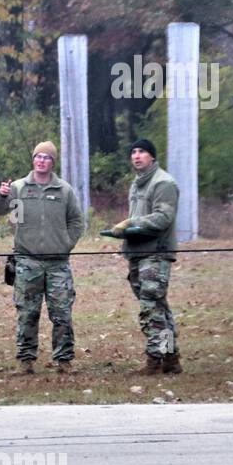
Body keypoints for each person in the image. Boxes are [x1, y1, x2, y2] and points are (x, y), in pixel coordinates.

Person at [0, 140, 85, 374]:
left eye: (47, 157)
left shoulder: (64, 190)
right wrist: (1, 195)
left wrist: (66, 244)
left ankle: (63, 361)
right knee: (27, 312)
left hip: (58, 264)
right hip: (27, 261)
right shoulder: (19, 188)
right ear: (33, 160)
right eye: (38, 157)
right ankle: (25, 361)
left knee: (61, 313)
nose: (42, 161)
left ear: (53, 162)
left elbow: (76, 221)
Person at [101, 138, 182, 374]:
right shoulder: (137, 184)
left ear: (153, 157)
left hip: (155, 253)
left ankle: (154, 360)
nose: (137, 156)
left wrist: (131, 222)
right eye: (133, 152)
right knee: (160, 308)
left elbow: (163, 218)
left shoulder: (163, 183)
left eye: (143, 152)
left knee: (150, 308)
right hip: (137, 253)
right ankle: (170, 359)